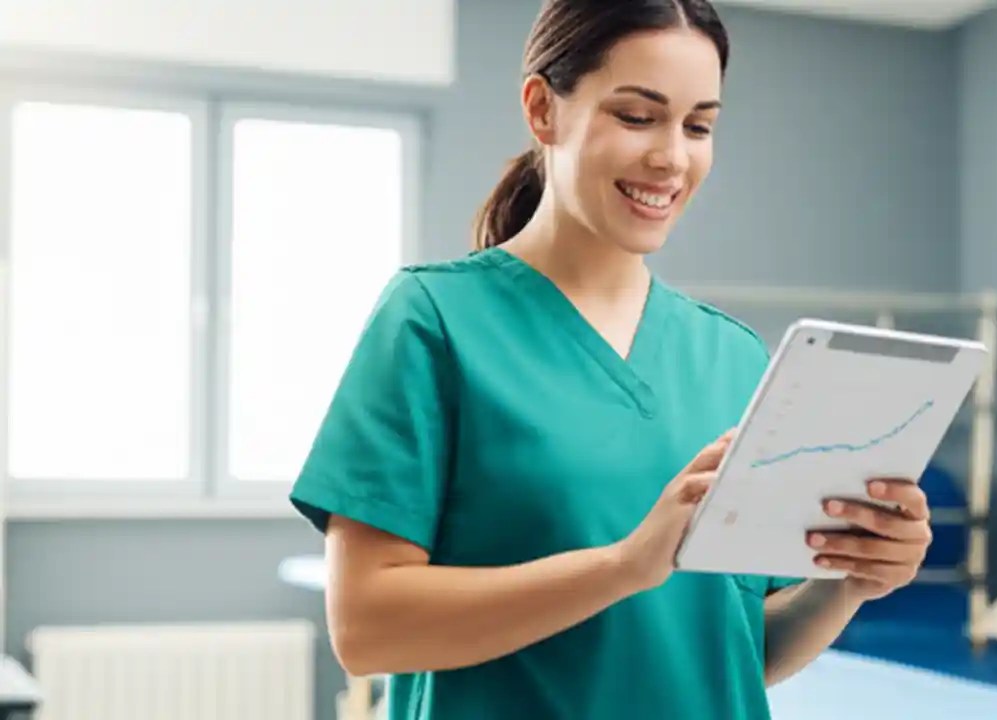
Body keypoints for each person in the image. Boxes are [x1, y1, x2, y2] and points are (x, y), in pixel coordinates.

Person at [288, 1, 934, 718]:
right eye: (637, 116)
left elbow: (739, 652)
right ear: (543, 109)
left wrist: (849, 583)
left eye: (698, 126)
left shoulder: (734, 358)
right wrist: (623, 567)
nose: (672, 157)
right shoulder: (434, 319)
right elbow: (367, 629)